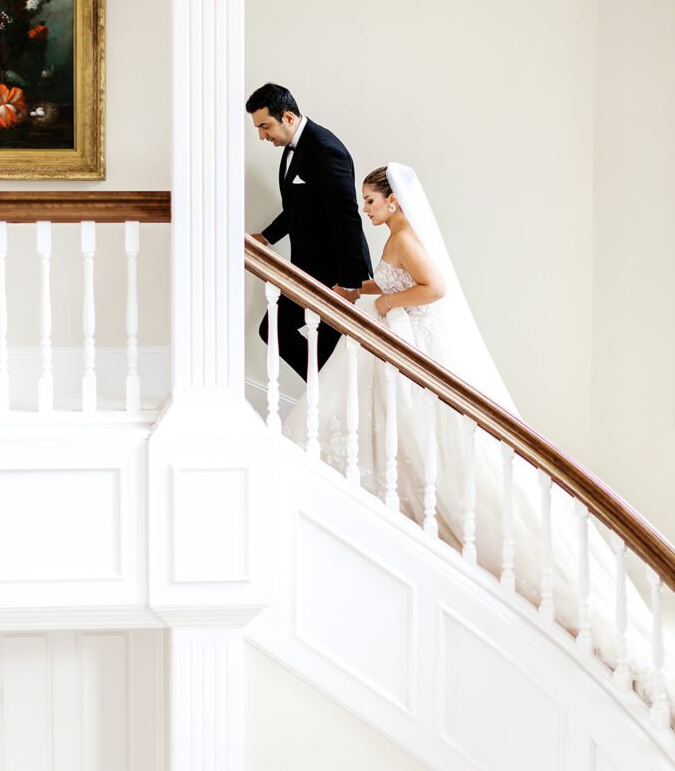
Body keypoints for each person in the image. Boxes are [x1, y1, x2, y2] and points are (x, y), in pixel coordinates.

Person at [285, 162, 674, 715]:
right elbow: (397, 279)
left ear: (393, 202)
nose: (365, 210)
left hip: (407, 338)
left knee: (424, 430)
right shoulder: (395, 237)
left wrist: (386, 306)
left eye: (370, 202)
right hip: (391, 332)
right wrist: (365, 289)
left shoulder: (405, 236)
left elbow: (433, 287)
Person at [246, 83, 372, 380]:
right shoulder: (293, 147)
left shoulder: (325, 149)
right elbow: (300, 206)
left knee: (319, 349)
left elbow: (346, 218)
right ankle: (328, 397)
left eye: (265, 126)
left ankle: (330, 399)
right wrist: (266, 237)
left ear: (288, 117)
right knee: (278, 333)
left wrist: (349, 283)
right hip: (308, 269)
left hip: (336, 275)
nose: (262, 136)